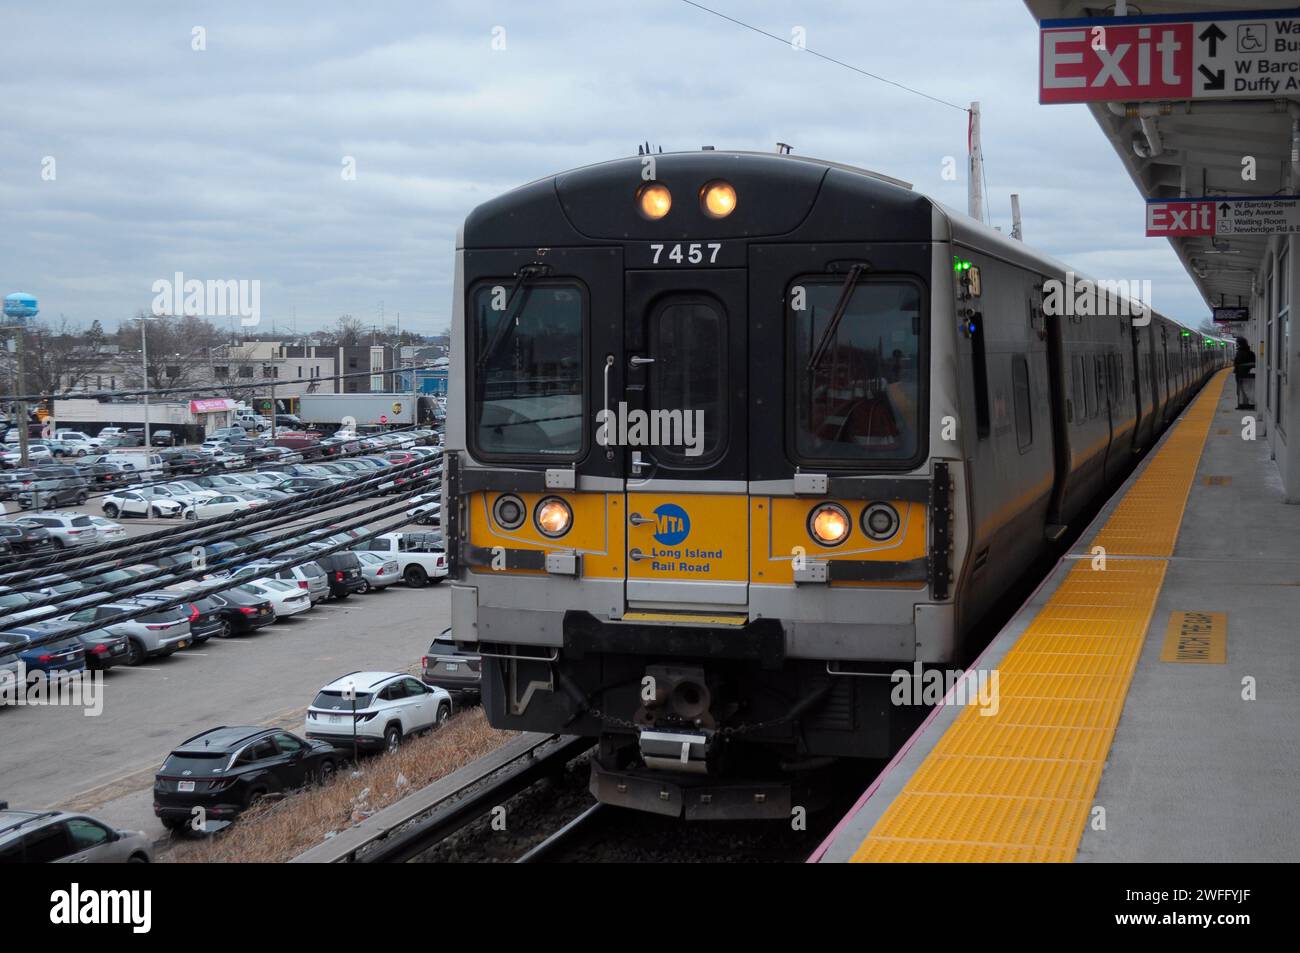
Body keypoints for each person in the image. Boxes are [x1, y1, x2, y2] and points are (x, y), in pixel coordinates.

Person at [1233, 336, 1256, 409]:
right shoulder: (1250, 352)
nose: (1236, 344)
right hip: (1248, 373)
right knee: (1246, 389)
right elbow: (1253, 362)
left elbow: (1237, 363)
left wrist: (1238, 365)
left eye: (1237, 343)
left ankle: (1243, 404)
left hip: (1240, 374)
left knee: (1241, 389)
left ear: (1239, 344)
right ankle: (1246, 403)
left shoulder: (1240, 353)